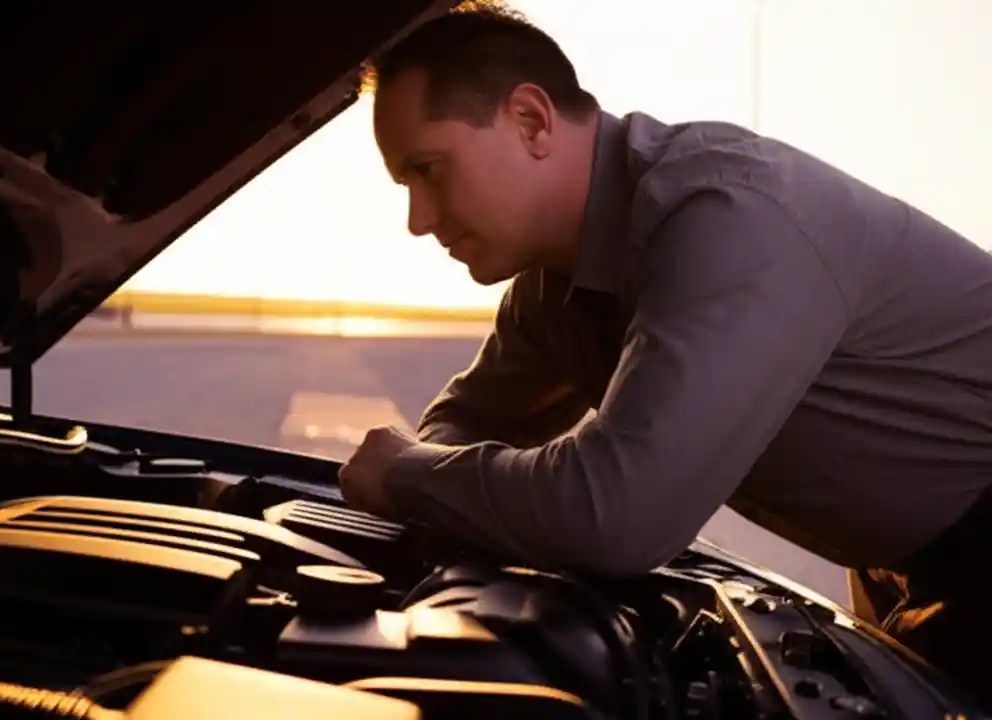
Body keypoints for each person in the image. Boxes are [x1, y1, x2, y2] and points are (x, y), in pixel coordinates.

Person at [336, 3, 992, 703]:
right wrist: (430, 476)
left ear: (530, 121)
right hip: (915, 569)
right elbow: (459, 436)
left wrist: (409, 476)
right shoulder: (551, 291)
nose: (418, 220)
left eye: (428, 170)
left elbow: (617, 516)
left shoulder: (730, 215)